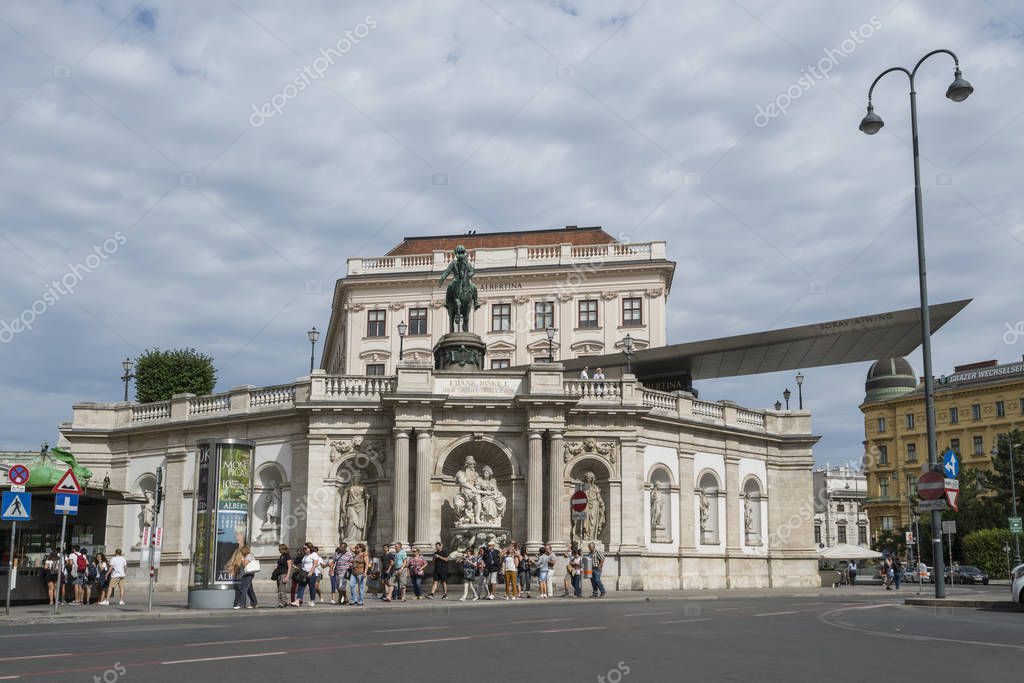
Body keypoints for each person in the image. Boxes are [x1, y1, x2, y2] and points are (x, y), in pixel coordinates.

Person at [232, 545, 258, 609]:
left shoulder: (249, 556)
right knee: (249, 590)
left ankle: (241, 604)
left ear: (244, 551)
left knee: (243, 589)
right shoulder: (247, 556)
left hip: (248, 574)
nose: (241, 552)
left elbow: (244, 564)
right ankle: (254, 603)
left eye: (241, 551)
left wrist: (242, 559)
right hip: (247, 574)